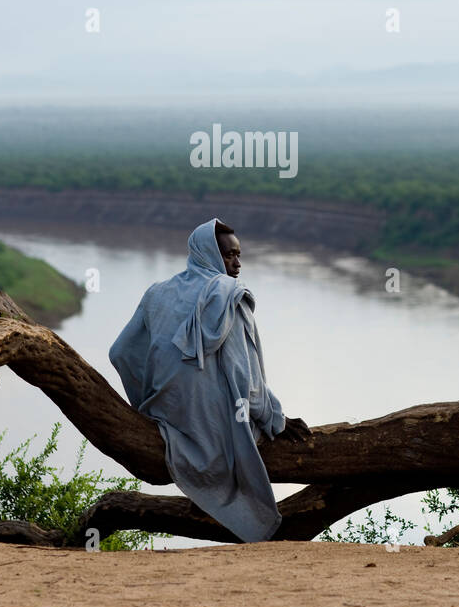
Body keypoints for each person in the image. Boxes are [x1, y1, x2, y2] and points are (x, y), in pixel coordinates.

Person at [108, 218, 311, 542]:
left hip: (168, 419)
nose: (238, 263)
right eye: (230, 255)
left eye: (238, 255)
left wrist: (148, 403)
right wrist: (278, 421)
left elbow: (120, 353)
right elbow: (246, 379)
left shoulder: (157, 292)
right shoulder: (230, 296)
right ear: (209, 254)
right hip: (215, 426)